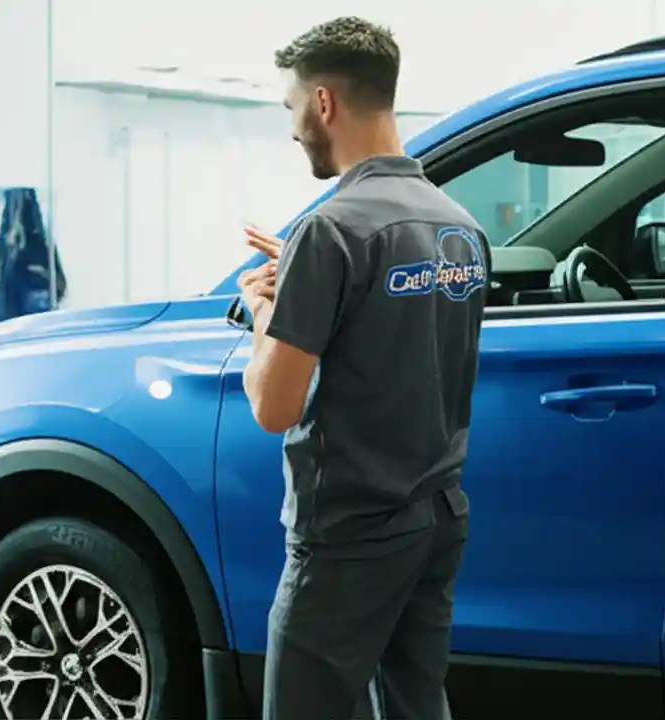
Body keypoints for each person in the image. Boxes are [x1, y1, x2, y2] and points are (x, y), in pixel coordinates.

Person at [237, 16, 489, 720]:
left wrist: (264, 312)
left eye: (291, 107)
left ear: (323, 103)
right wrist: (312, 284)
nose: (292, 129)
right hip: (435, 518)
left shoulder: (332, 230)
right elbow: (398, 336)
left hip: (348, 532)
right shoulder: (458, 228)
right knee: (415, 706)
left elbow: (272, 407)